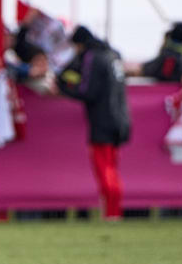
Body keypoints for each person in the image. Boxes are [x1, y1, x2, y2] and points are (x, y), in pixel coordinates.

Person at [56, 25, 130, 220]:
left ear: (79, 44)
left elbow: (87, 91)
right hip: (120, 119)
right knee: (113, 169)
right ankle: (114, 211)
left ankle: (112, 213)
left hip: (102, 121)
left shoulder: (92, 57)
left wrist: (63, 90)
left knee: (104, 169)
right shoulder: (113, 55)